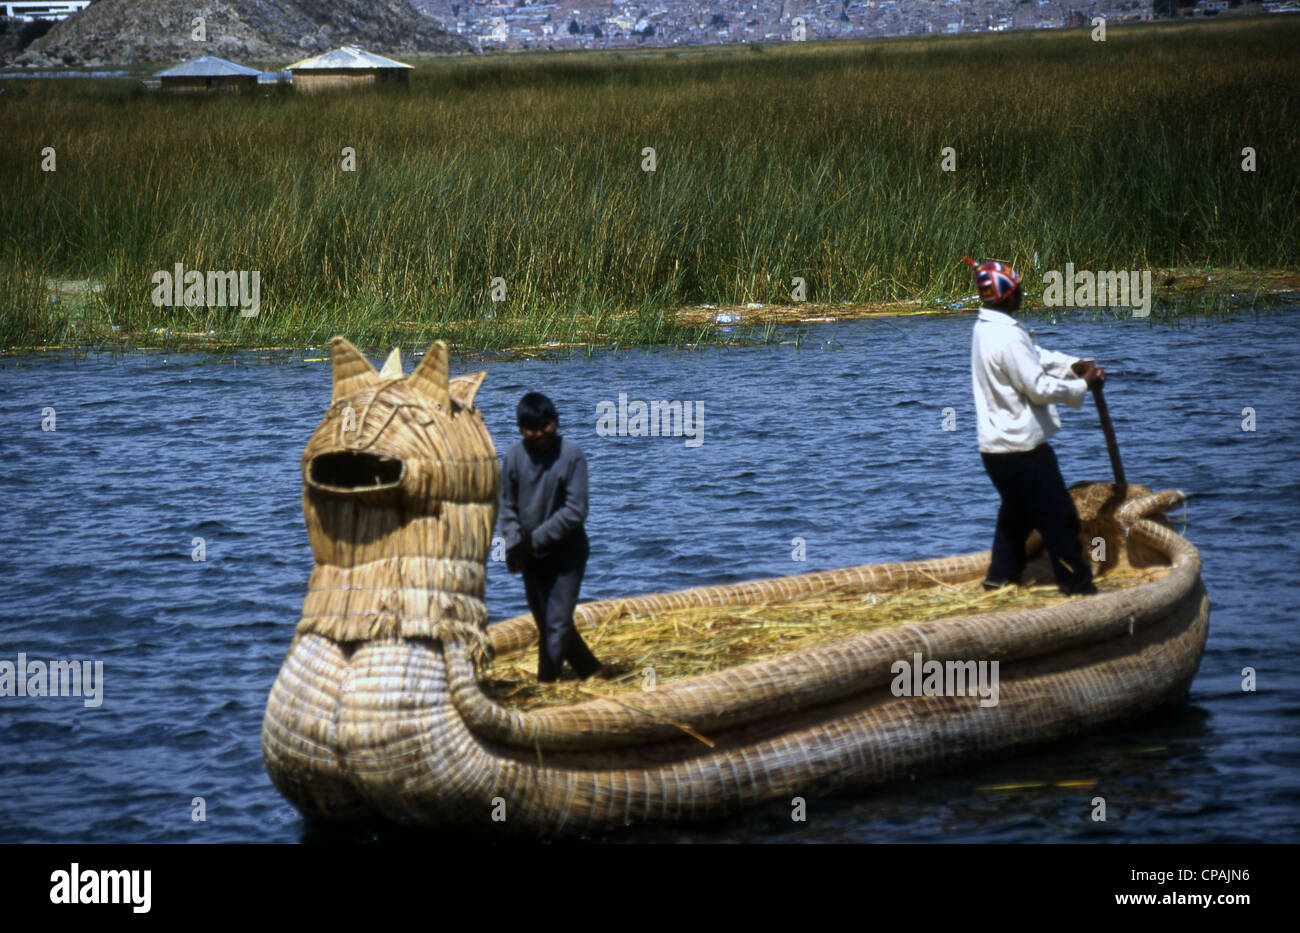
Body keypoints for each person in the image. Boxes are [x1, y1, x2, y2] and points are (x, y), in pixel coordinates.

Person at [965, 256, 1105, 596]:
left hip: (996, 451)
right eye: (1019, 289)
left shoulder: (987, 328)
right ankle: (1079, 589)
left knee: (1016, 518)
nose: (1023, 293)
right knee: (1060, 520)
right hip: (1022, 450)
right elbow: (1038, 388)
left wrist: (1073, 365)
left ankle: (999, 582)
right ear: (1008, 296)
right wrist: (1083, 385)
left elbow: (1034, 356)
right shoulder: (1006, 337)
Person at [498, 392, 607, 681]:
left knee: (557, 622)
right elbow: (505, 506)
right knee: (546, 623)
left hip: (566, 552)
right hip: (530, 555)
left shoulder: (571, 455)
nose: (540, 434)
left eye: (546, 426)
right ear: (521, 429)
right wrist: (513, 545)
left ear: (556, 422)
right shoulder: (514, 456)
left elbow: (575, 511)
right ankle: (592, 672)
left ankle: (546, 686)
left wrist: (531, 542)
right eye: (532, 429)